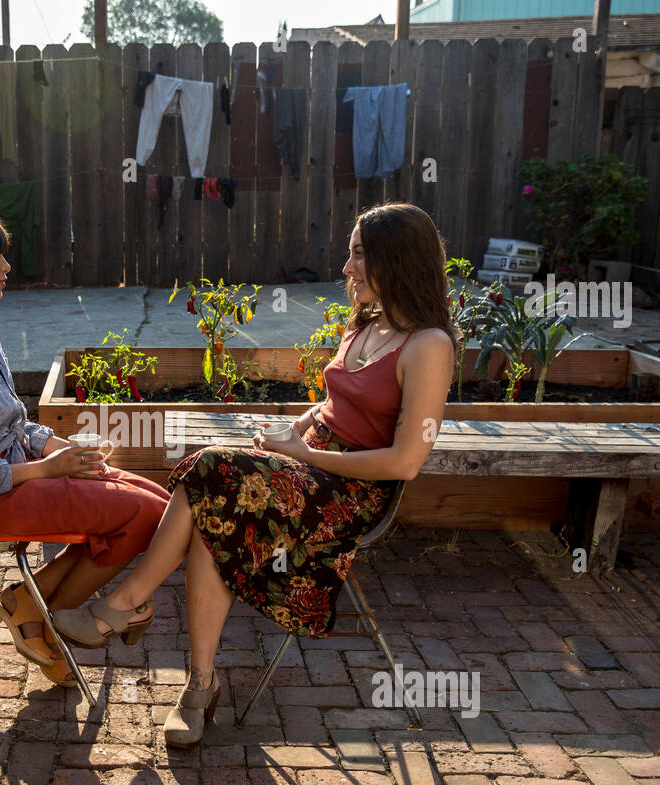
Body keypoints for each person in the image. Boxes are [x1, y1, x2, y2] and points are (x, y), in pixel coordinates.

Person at [54, 203, 457, 746]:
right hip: (308, 468)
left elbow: (405, 462)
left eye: (359, 254)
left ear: (398, 257)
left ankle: (124, 606)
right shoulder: (367, 325)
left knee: (209, 471)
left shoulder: (429, 345)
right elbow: (334, 408)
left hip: (351, 494)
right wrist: (294, 431)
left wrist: (306, 455)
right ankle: (198, 684)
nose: (346, 268)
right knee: (209, 507)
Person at [0, 205, 171, 687]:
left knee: (163, 507)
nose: (6, 267)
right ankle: (43, 613)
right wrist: (48, 470)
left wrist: (61, 448)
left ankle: (30, 604)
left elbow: (14, 422)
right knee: (143, 517)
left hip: (19, 472)